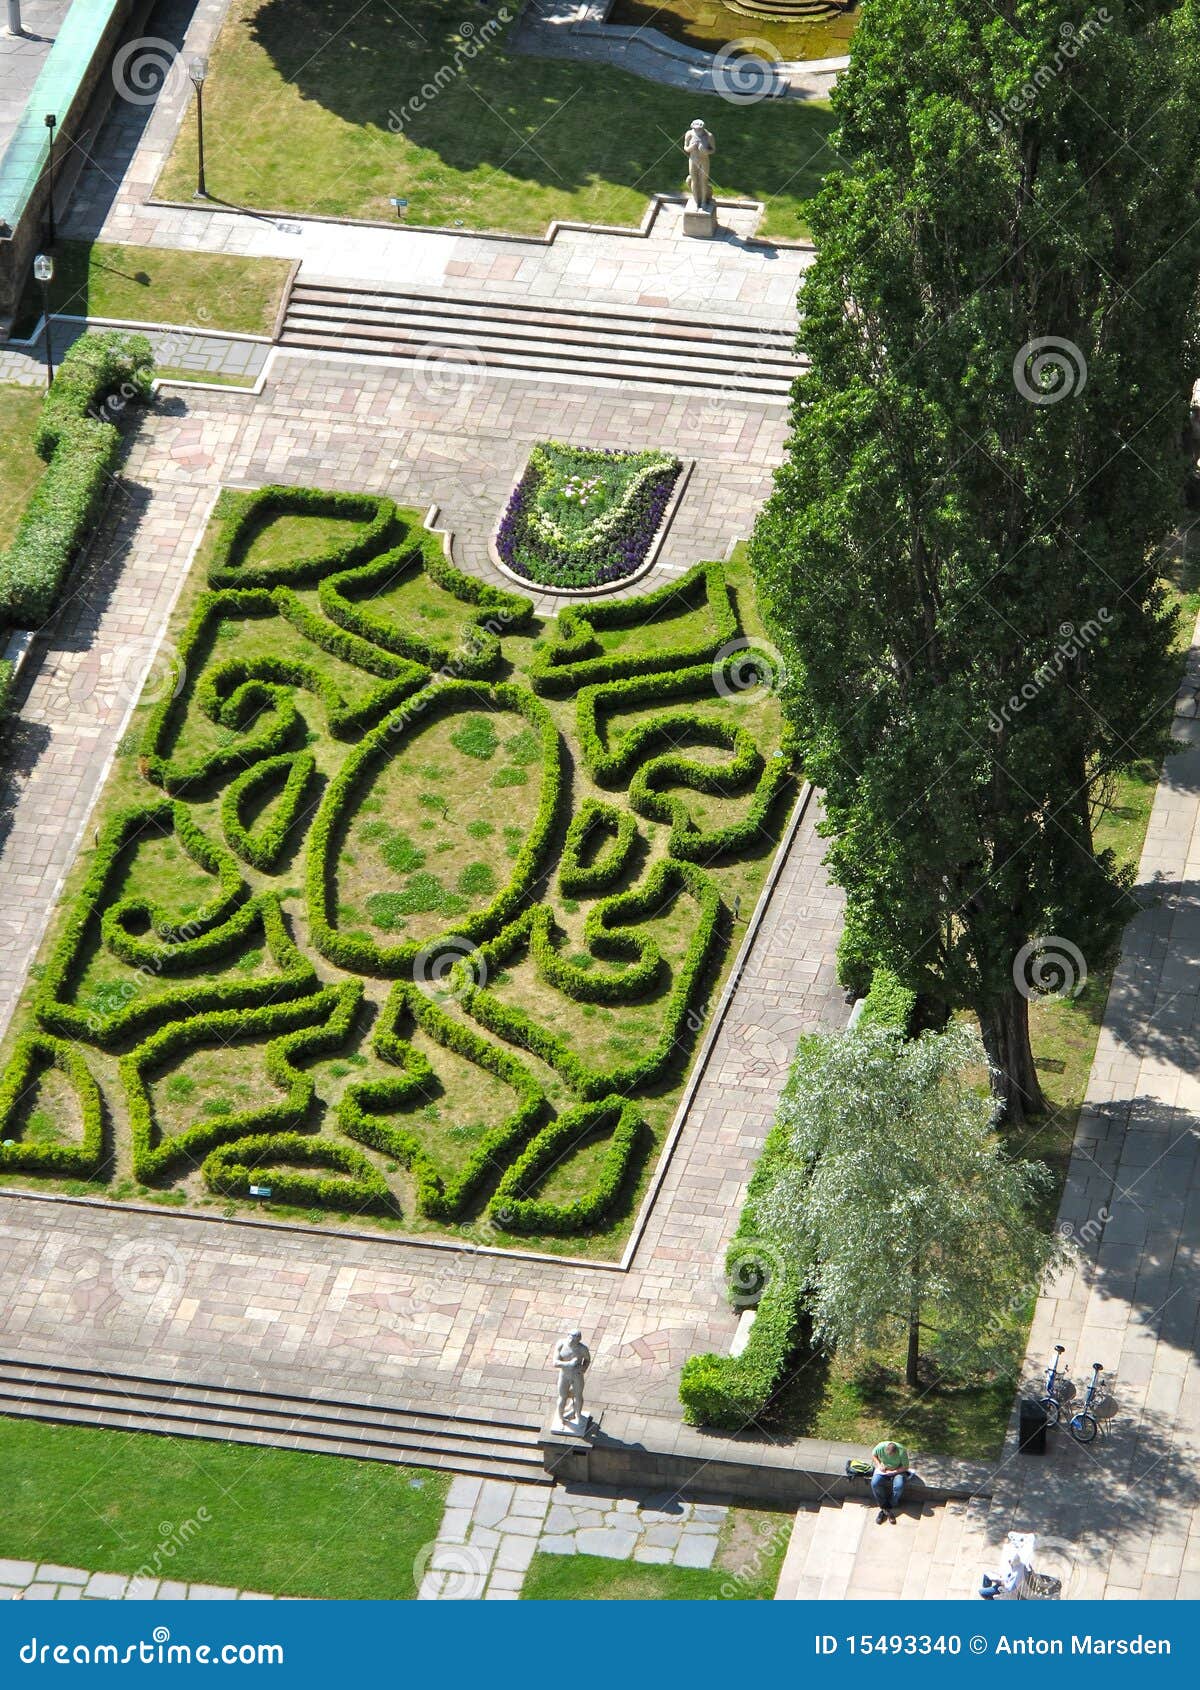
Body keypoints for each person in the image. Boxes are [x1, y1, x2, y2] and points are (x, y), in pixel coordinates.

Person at [869, 1438, 910, 1523]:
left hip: (897, 1470)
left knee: (899, 1485)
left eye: (891, 1455)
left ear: (896, 1452)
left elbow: (905, 1467)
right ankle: (884, 1506)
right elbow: (874, 1455)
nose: (889, 1456)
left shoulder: (902, 1451)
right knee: (874, 1483)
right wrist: (879, 1465)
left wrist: (894, 1472)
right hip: (883, 1470)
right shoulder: (880, 1446)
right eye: (887, 1454)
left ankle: (891, 1504)